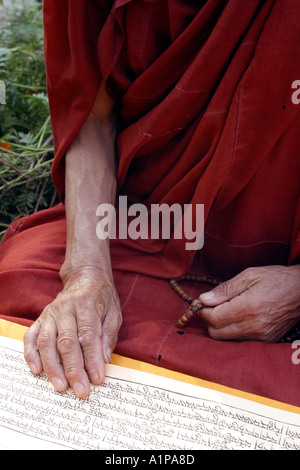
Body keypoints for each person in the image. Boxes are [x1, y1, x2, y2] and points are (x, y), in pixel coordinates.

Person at [0, 0, 299, 405]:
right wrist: (86, 273)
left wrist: (296, 290)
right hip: (139, 224)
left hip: (280, 256)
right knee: (20, 293)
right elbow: (92, 115)